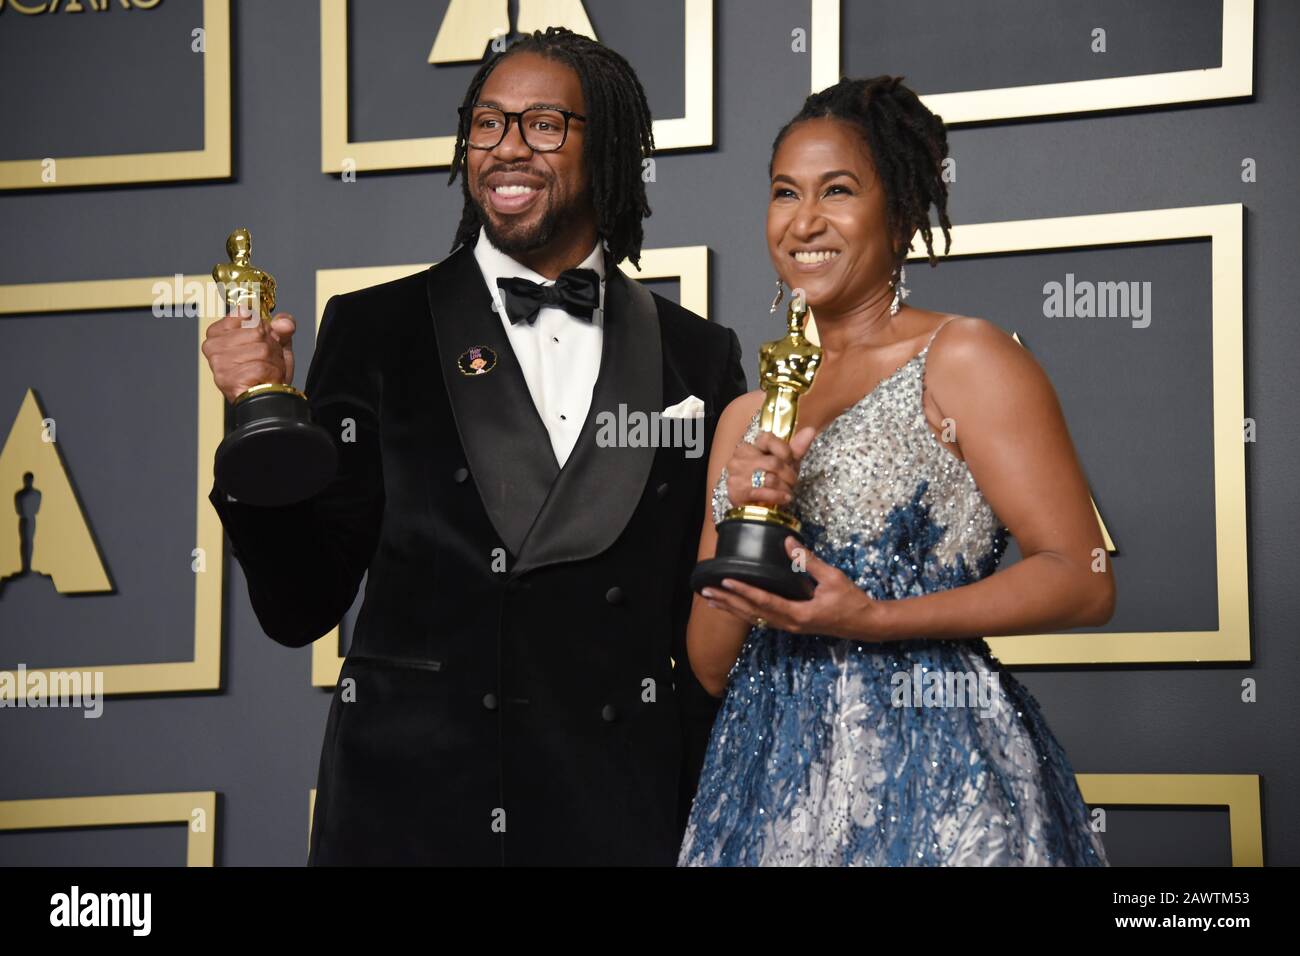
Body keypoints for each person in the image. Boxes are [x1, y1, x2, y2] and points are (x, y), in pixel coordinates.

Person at [200, 27, 747, 865]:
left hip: (619, 813)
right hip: (413, 811)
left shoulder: (699, 357)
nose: (506, 150)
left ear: (606, 148)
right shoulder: (376, 328)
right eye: (487, 124)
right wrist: (257, 424)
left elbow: (705, 627)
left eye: (543, 125)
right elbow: (300, 604)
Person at [679, 76, 1113, 866]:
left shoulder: (966, 356)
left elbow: (1082, 579)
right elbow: (710, 667)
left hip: (933, 762)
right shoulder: (748, 414)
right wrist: (747, 517)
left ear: (903, 212)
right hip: (762, 780)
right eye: (785, 193)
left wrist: (872, 619)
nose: (803, 221)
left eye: (837, 191)